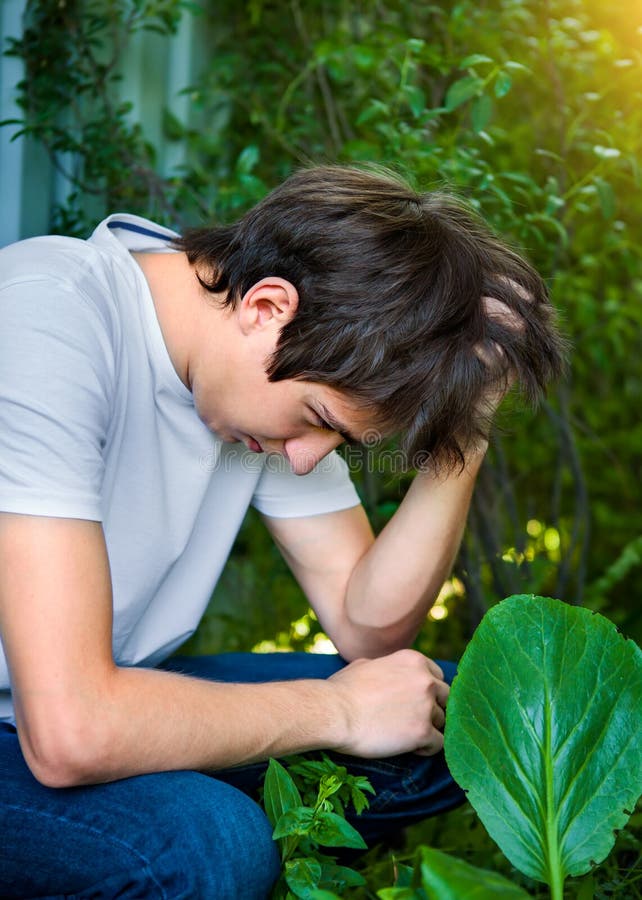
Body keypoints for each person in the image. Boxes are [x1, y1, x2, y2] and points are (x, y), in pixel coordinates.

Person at [0, 165, 565, 898]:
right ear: (268, 306)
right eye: (319, 422)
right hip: (56, 721)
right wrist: (337, 712)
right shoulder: (48, 319)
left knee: (456, 715)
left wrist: (473, 422)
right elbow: (72, 731)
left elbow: (369, 630)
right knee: (209, 844)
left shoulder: (264, 369)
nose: (305, 461)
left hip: (85, 704)